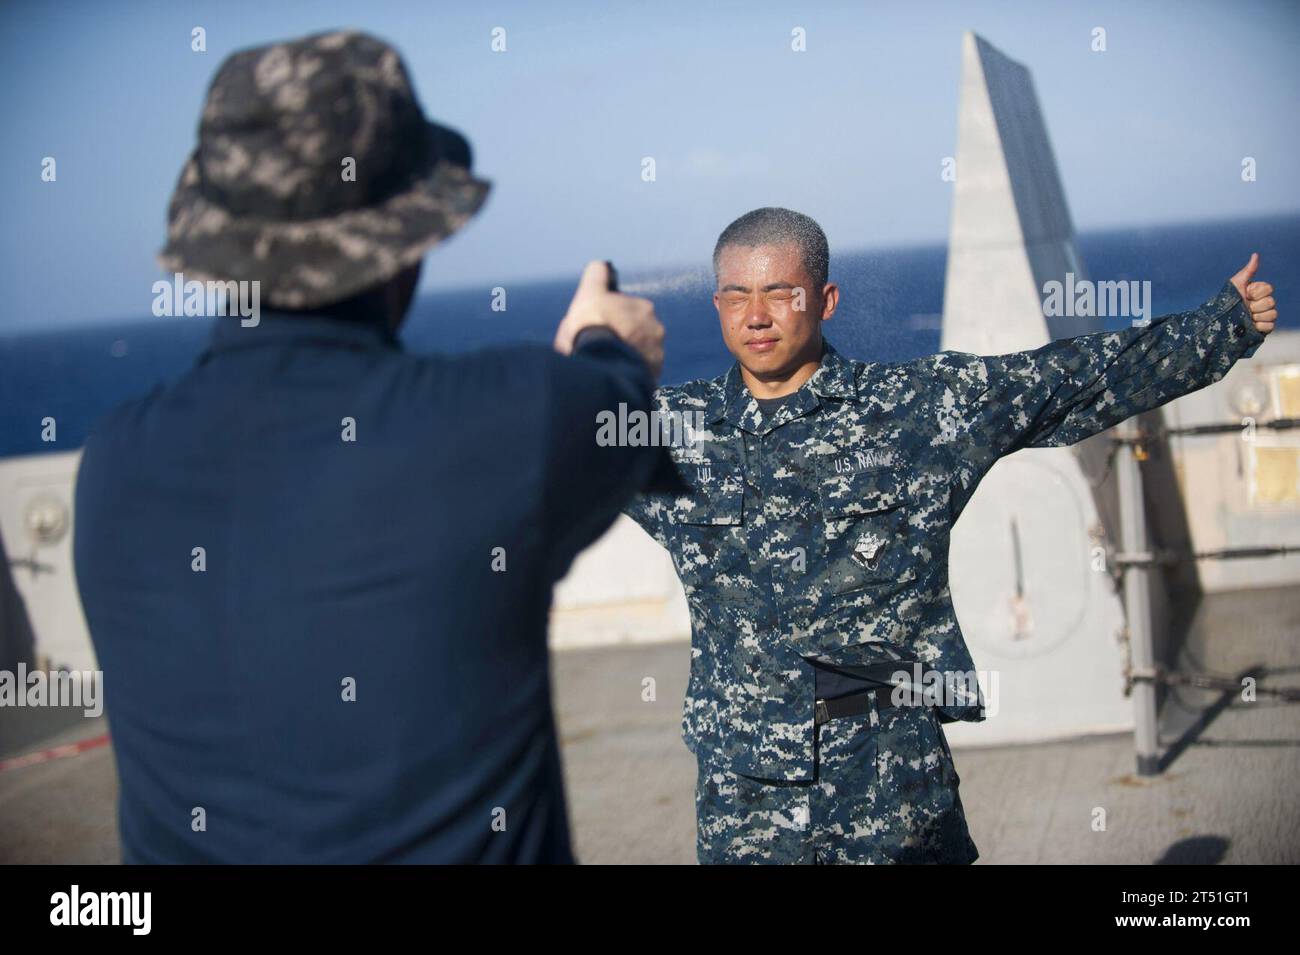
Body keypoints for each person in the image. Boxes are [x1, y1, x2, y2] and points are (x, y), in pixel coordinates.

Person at [73, 30, 665, 864]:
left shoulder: (112, 463)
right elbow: (620, 393)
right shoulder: (513, 419)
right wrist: (605, 335)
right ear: (410, 247)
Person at [623, 206, 1279, 864]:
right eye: (737, 295)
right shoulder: (671, 435)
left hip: (889, 798)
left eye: (780, 293)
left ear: (824, 299)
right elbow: (539, 440)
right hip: (745, 809)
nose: (756, 315)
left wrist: (1224, 326)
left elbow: (1069, 380)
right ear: (717, 304)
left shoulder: (914, 409)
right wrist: (589, 344)